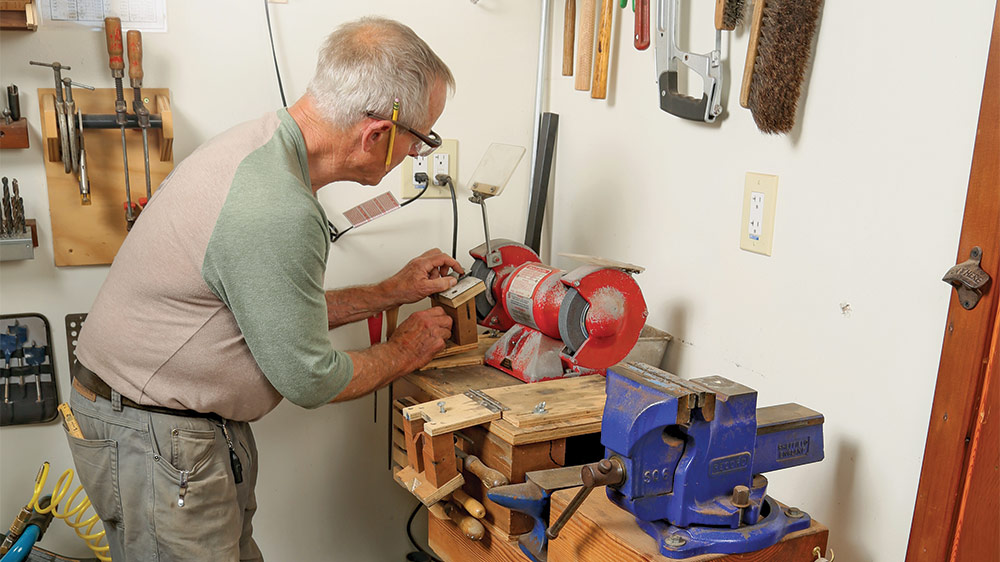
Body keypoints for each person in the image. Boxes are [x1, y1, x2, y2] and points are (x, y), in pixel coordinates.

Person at [66, 17, 460, 562]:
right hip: (155, 435)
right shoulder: (276, 206)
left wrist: (390, 291)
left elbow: (275, 312)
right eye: (422, 140)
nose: (417, 155)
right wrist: (406, 350)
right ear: (377, 135)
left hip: (167, 424)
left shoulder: (265, 146)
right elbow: (309, 377)